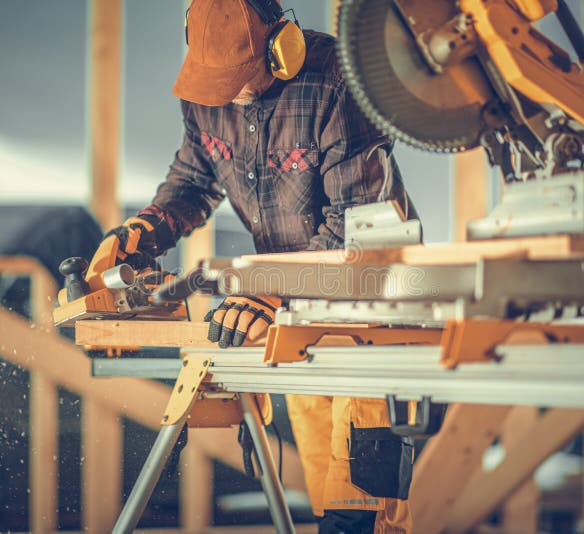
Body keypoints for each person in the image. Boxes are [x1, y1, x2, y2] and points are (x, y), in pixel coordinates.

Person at [95, 0, 420, 531]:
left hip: (369, 311)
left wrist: (266, 290)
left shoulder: (336, 80)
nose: (228, 96)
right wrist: (142, 232)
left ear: (282, 48)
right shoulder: (205, 97)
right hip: (295, 320)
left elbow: (358, 226)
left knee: (361, 507)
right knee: (324, 491)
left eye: (238, 81)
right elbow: (193, 182)